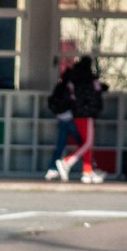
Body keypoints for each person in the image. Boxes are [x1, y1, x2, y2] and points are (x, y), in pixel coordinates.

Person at [46, 56, 107, 184]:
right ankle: (67, 162)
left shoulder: (73, 80)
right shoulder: (91, 80)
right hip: (88, 114)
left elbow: (70, 96)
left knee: (82, 142)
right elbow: (98, 93)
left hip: (76, 114)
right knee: (87, 143)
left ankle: (87, 171)